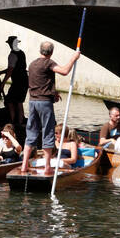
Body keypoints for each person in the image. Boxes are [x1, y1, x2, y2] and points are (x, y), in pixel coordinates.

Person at [18, 40, 81, 176]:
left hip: (33, 102)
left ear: (40, 50)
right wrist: (74, 58)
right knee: (48, 133)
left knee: (31, 132)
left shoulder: (32, 64)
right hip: (44, 103)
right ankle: (47, 167)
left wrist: (53, 93)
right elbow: (64, 71)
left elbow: (39, 81)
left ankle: (24, 165)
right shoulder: (49, 63)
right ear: (51, 52)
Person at [0, 35, 28, 126]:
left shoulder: (12, 54)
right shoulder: (22, 53)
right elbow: (15, 67)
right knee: (19, 101)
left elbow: (10, 70)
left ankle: (13, 122)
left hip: (18, 82)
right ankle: (20, 121)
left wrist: (3, 84)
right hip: (24, 80)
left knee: (9, 100)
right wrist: (1, 72)